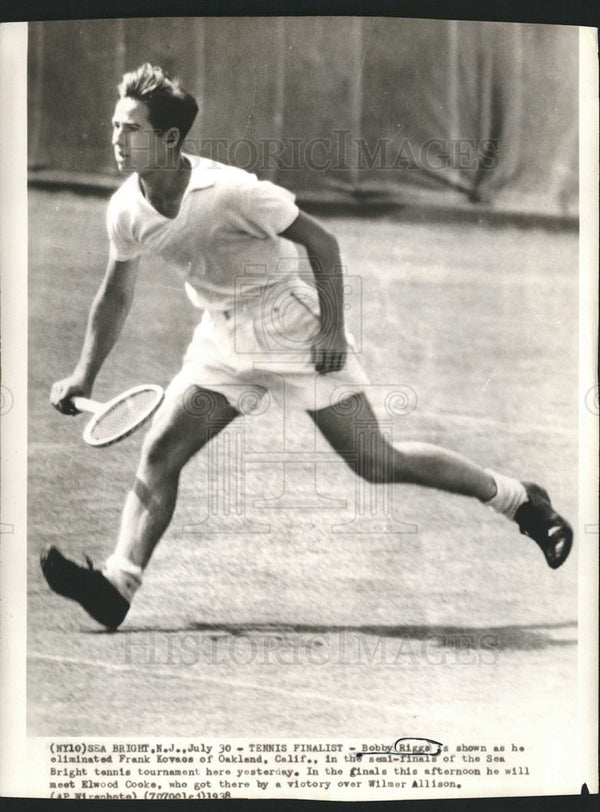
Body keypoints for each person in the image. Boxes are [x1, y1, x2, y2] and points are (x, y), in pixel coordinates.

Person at [41, 64, 573, 630]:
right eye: (115, 126)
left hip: (291, 329)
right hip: (221, 340)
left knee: (374, 460)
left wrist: (330, 330)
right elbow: (115, 295)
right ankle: (117, 585)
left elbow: (322, 241)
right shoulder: (125, 210)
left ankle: (520, 501)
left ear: (169, 140)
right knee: (160, 454)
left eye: (131, 129)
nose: (116, 140)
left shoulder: (231, 192)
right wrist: (83, 375)